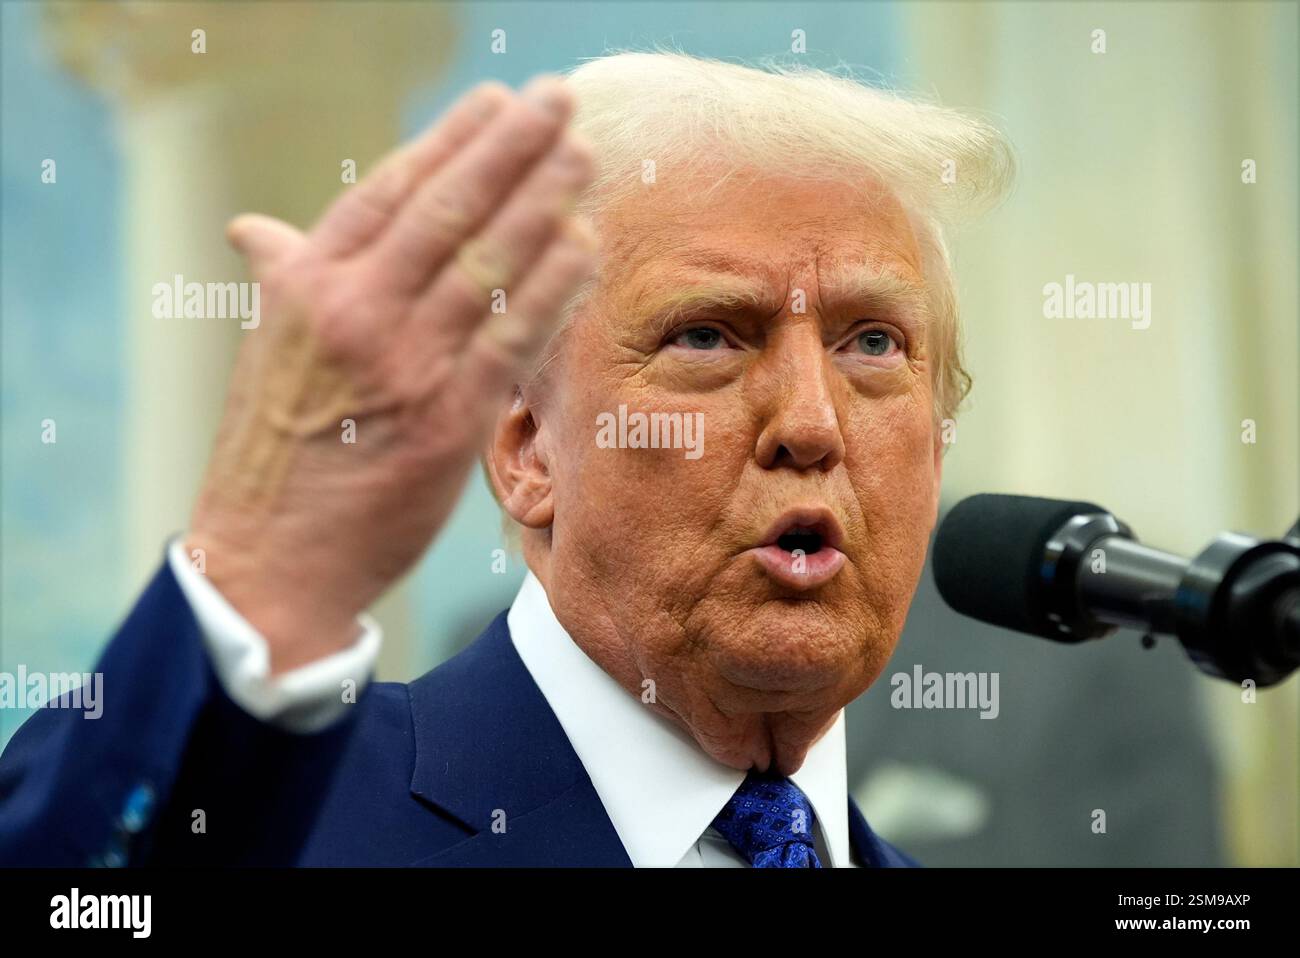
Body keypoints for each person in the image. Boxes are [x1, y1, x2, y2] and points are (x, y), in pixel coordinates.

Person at [0, 52, 1014, 867]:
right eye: (707, 335)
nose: (811, 422)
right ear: (528, 447)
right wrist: (259, 571)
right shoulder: (295, 818)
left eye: (873, 343)